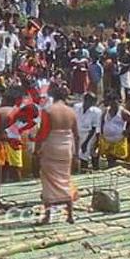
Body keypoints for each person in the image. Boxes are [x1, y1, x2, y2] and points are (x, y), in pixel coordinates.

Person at [36, 86, 79, 224]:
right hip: (66, 147)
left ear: (53, 96)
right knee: (65, 179)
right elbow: (77, 135)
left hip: (52, 145)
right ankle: (70, 214)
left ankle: (48, 216)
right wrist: (76, 153)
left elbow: (42, 132)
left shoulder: (48, 111)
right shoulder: (71, 112)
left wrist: (36, 150)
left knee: (48, 181)